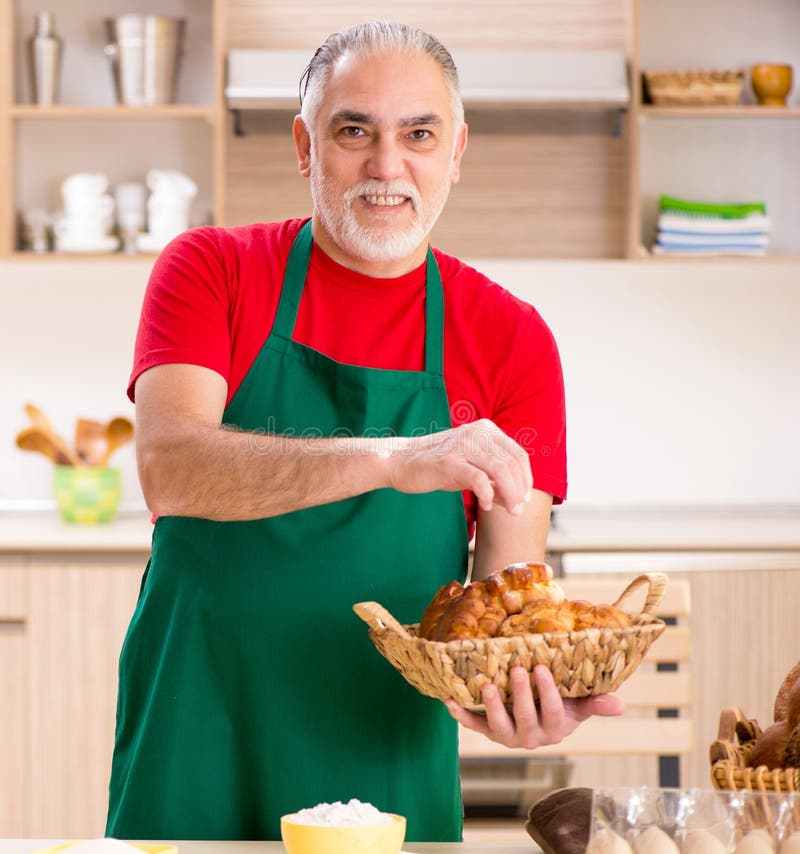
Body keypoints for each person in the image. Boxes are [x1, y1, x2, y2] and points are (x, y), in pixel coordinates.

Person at [106, 20, 624, 843]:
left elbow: (507, 604)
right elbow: (173, 468)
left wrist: (521, 697)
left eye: (419, 134)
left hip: (381, 757)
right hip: (194, 735)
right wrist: (394, 458)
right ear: (306, 147)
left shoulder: (511, 338)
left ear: (455, 152)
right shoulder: (210, 270)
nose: (388, 166)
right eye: (355, 131)